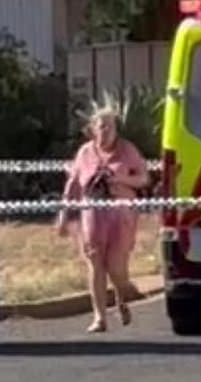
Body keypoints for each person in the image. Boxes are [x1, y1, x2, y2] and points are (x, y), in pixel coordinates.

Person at [57, 104, 151, 332]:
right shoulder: (85, 152)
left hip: (121, 214)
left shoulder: (127, 150)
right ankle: (100, 317)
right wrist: (64, 216)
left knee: (116, 268)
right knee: (96, 264)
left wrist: (122, 180)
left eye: (111, 126)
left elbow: (144, 179)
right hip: (92, 215)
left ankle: (122, 295)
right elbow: (73, 185)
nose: (107, 131)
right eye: (102, 127)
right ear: (93, 129)